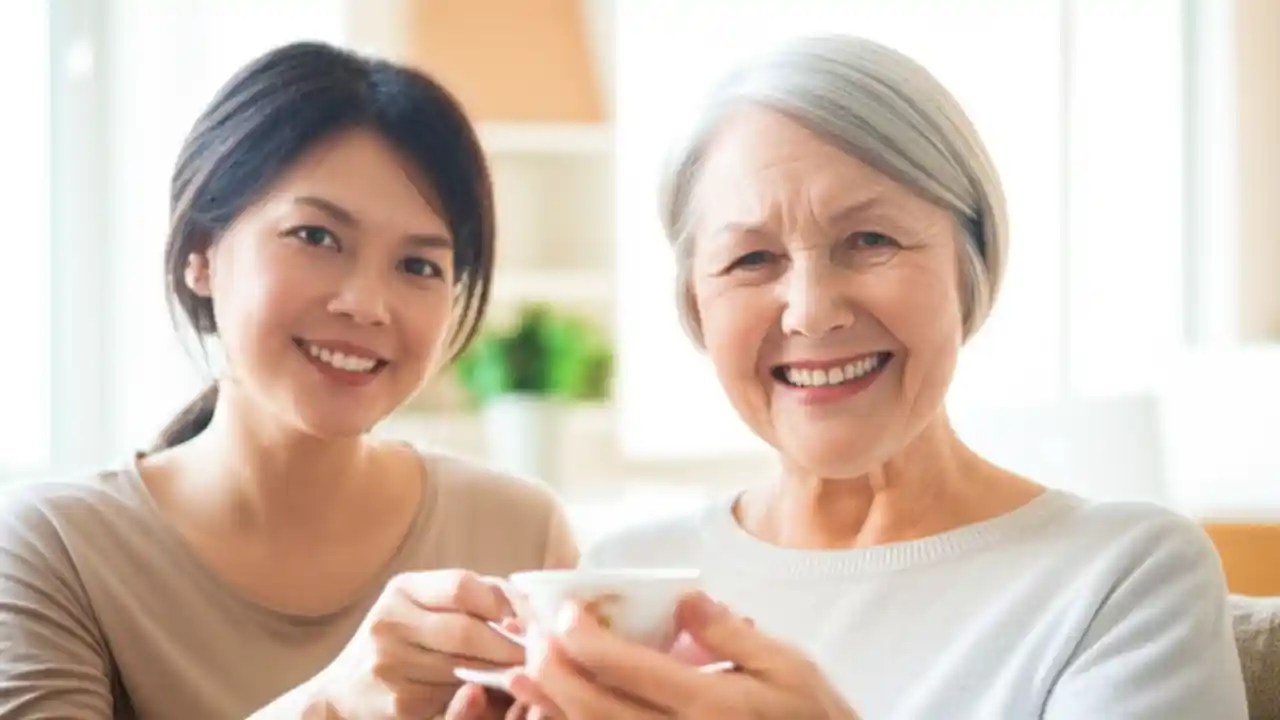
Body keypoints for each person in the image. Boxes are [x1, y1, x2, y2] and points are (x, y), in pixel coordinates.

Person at [506, 35, 1249, 719]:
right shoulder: (626, 581)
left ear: (970, 265)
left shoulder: (1124, 577)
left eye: (869, 240)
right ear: (696, 304)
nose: (811, 312)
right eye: (751, 260)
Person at [0, 41, 568, 719]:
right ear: (199, 255)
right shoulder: (52, 549)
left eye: (418, 267)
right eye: (317, 237)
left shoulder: (519, 535)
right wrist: (327, 706)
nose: (366, 304)